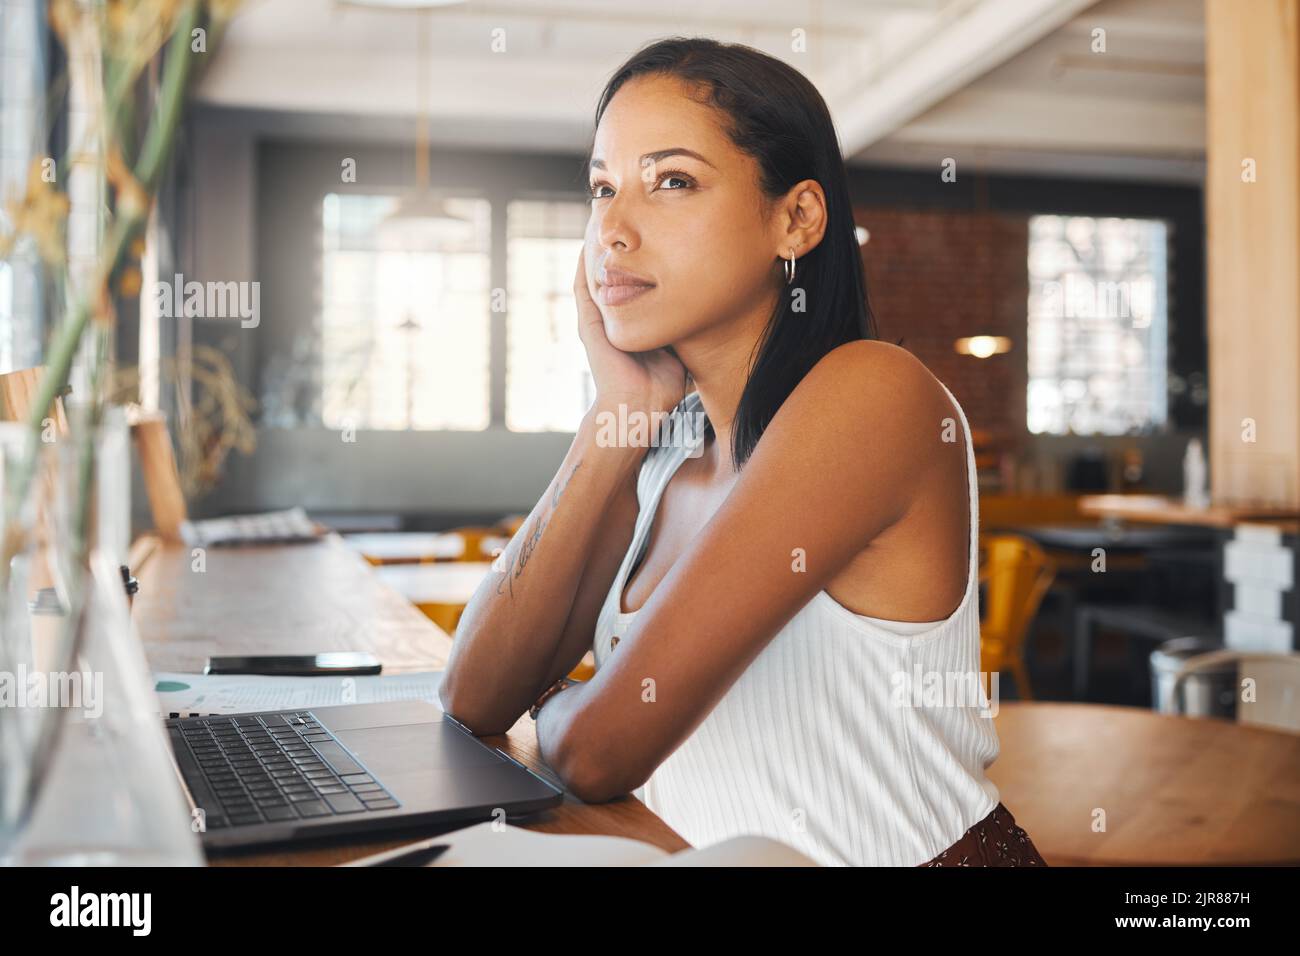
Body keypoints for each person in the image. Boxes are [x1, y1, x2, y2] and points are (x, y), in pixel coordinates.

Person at [439, 36, 1046, 867]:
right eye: (602, 188)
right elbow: (472, 697)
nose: (611, 231)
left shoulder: (871, 395)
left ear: (795, 218)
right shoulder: (663, 446)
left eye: (672, 182)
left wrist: (551, 708)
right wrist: (618, 410)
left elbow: (597, 753)